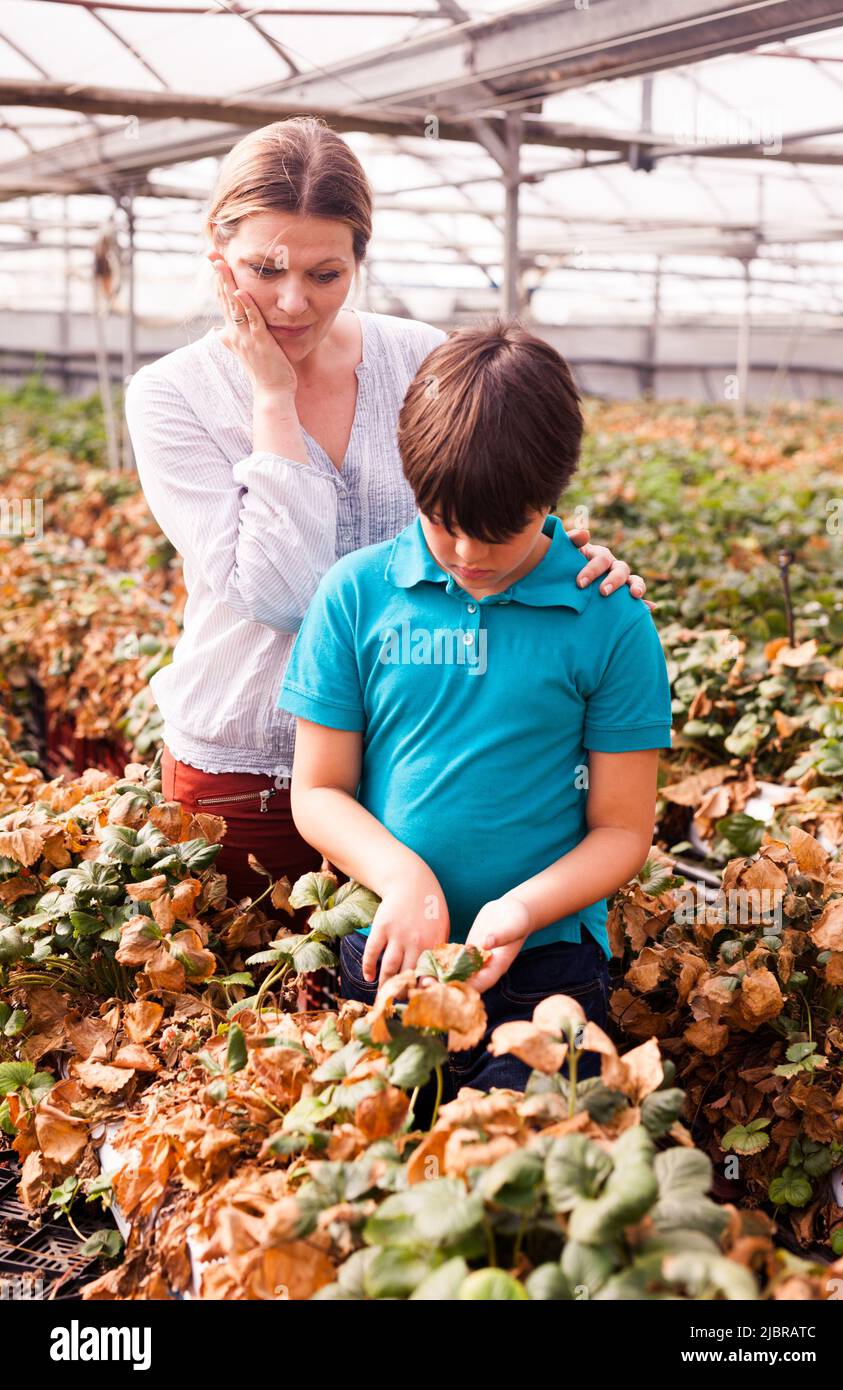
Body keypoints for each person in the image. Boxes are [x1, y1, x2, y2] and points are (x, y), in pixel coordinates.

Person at [125, 115, 652, 912]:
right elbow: (286, 596)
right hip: (247, 773)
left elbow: (486, 495)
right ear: (217, 251)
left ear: (360, 261)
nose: (292, 302)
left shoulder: (417, 357)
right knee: (255, 1014)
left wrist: (566, 555)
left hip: (414, 761)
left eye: (326, 274)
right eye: (262, 269)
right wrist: (273, 398)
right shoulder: (171, 395)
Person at [278, 319, 672, 1107]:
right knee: (373, 1145)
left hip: (547, 961)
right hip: (388, 946)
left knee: (517, 1141)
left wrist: (524, 907)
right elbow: (317, 791)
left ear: (553, 494)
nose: (463, 552)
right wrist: (403, 878)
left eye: (499, 530)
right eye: (441, 520)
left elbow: (622, 829)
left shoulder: (610, 620)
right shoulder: (357, 594)